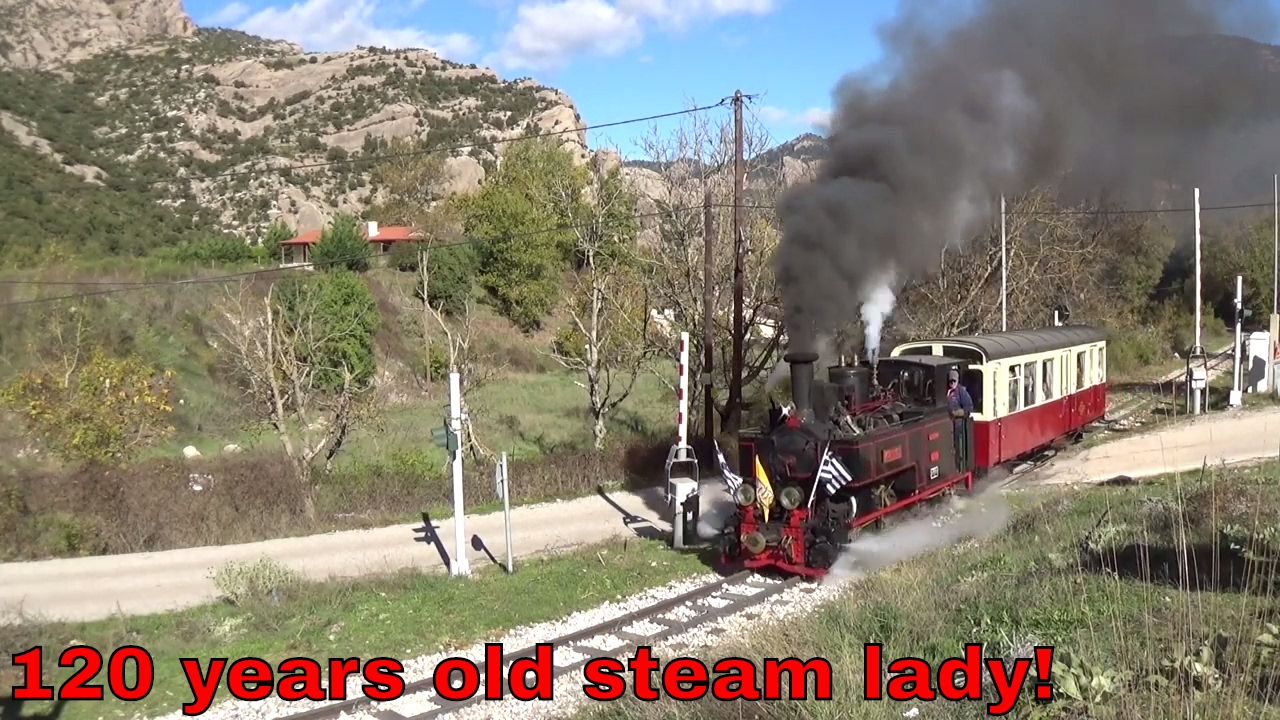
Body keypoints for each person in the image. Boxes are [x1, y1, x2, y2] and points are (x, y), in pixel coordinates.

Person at [947, 368, 973, 469]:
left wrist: (958, 413)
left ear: (957, 381)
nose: (952, 383)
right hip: (948, 425)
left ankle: (960, 466)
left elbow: (969, 407)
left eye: (954, 381)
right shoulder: (947, 392)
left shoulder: (961, 391)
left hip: (957, 424)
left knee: (958, 446)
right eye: (951, 381)